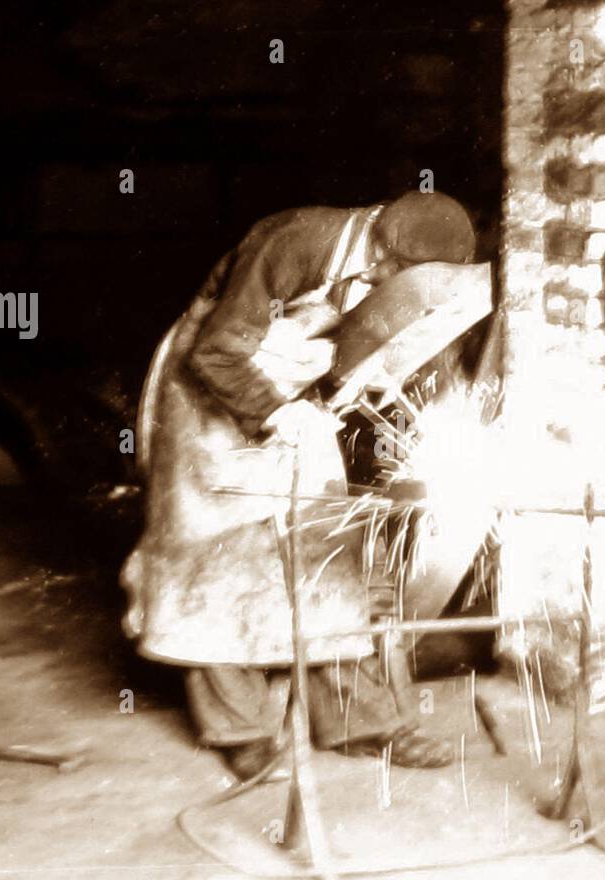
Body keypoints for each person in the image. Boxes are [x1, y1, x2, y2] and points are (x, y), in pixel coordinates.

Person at [122, 192, 476, 780]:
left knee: (326, 550)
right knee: (221, 556)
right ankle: (244, 732)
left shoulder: (394, 262)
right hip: (211, 395)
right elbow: (216, 352)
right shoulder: (294, 242)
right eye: (401, 276)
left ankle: (365, 723)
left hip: (292, 392)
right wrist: (274, 413)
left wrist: (373, 379)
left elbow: (359, 335)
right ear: (382, 252)